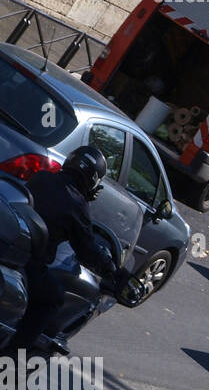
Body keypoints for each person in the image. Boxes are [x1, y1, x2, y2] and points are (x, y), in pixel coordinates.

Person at [5, 146, 129, 355]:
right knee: (52, 298)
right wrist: (112, 270)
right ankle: (13, 357)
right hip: (28, 259)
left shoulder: (42, 178)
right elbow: (87, 250)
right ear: (92, 178)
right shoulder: (77, 205)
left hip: (10, 242)